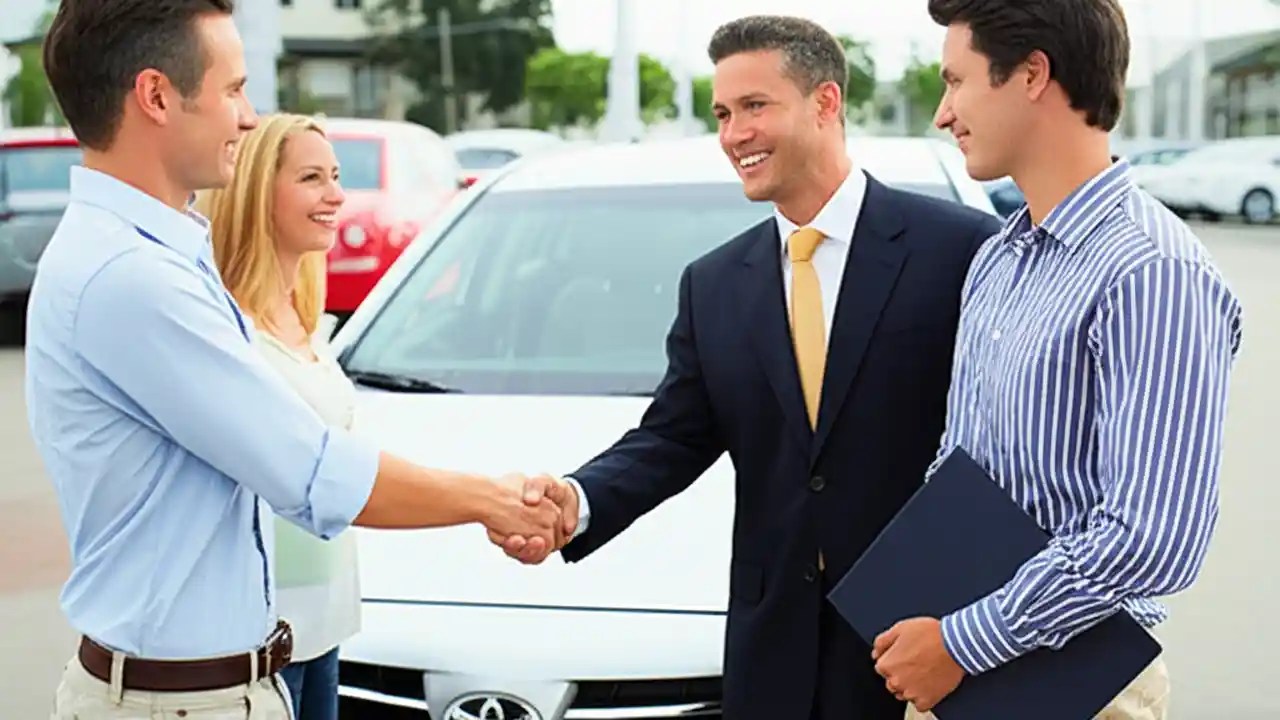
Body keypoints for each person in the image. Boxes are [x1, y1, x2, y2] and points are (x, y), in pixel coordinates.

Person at [26, 2, 564, 718]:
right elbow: (312, 473)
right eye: (233, 90)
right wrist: (492, 499)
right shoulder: (131, 277)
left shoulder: (150, 256)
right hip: (178, 703)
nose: (247, 118)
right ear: (156, 96)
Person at [492, 15, 1004, 720]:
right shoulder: (715, 284)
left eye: (755, 107)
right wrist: (577, 502)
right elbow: (673, 437)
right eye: (724, 114)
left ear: (826, 103)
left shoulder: (962, 249)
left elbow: (1011, 442)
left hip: (925, 642)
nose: (734, 134)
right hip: (775, 652)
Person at [868, 1, 1245, 717]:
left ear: (1033, 74)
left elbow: (1153, 537)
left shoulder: (1151, 272)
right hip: (952, 670)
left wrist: (963, 641)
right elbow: (959, 468)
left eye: (958, 81)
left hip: (1072, 691)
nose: (943, 114)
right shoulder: (998, 259)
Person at [194, 112, 356, 720]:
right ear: (258, 191)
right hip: (266, 629)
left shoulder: (307, 319)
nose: (335, 195)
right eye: (312, 178)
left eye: (335, 176)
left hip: (328, 618)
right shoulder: (229, 332)